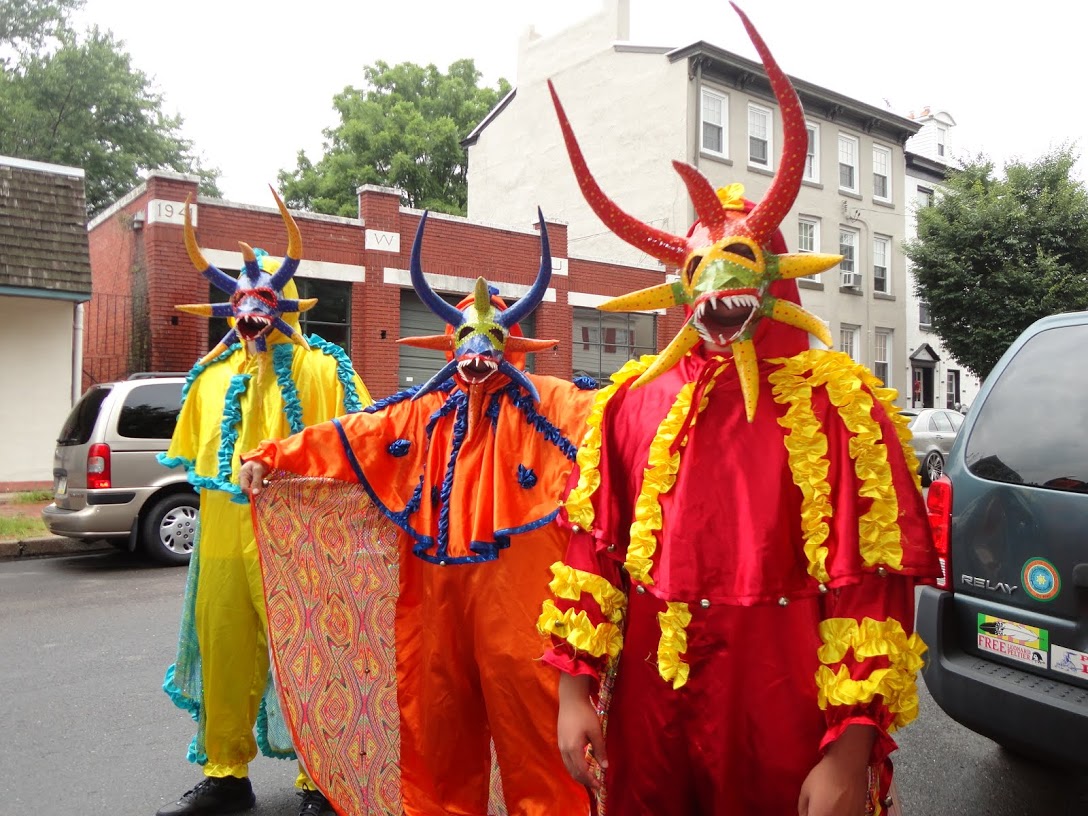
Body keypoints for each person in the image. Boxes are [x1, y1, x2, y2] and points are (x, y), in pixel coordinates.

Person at [538, 5, 940, 815]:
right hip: (657, 714)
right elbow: (593, 550)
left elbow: (872, 586)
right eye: (700, 270)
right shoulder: (631, 403)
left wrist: (851, 745)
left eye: (741, 266)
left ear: (777, 278)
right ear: (681, 286)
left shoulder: (839, 403)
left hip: (785, 710)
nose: (719, 292)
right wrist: (574, 692)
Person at [238, 211, 594, 816]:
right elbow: (354, 433)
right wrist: (272, 454)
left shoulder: (551, 406)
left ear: (511, 349)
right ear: (450, 349)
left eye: (490, 344)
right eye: (465, 345)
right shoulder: (422, 414)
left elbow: (616, 419)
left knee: (537, 746)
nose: (477, 358)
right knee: (436, 742)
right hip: (435, 612)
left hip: (522, 614)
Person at [155, 189, 371, 816]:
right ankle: (226, 775)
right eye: (240, 303)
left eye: (264, 301)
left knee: (309, 647)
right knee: (223, 642)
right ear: (228, 309)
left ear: (283, 306)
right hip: (223, 536)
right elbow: (196, 467)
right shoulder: (210, 376)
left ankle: (321, 779)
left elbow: (360, 445)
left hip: (301, 536)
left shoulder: (322, 369)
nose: (251, 313)